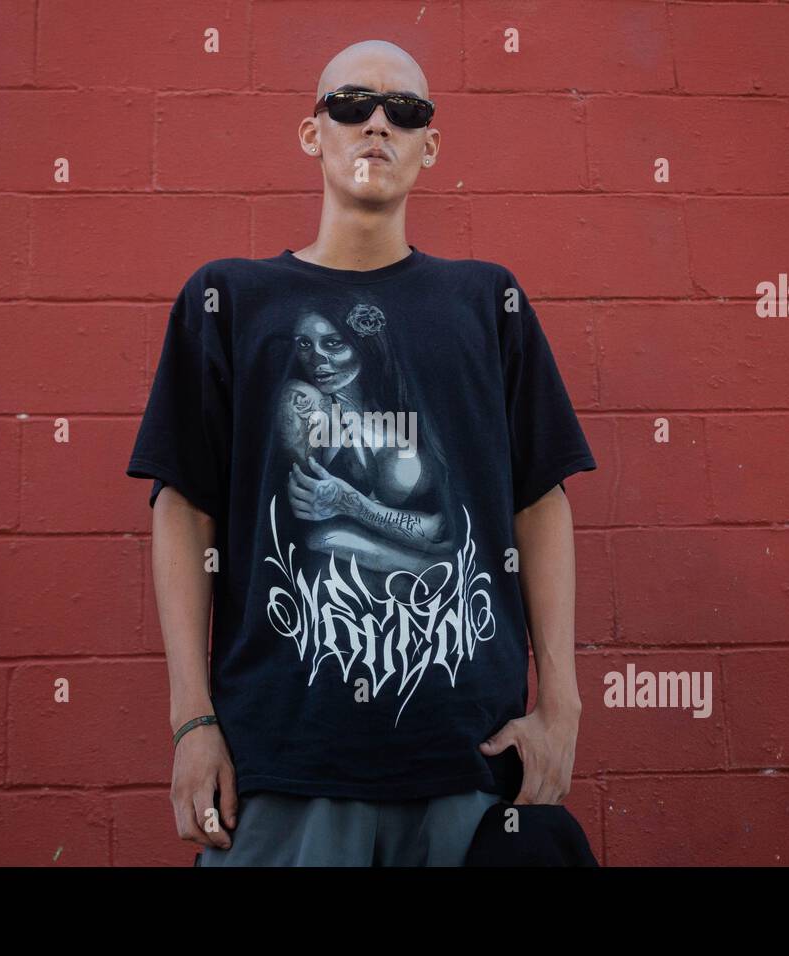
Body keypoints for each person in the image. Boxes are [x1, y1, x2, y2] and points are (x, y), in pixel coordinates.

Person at [126, 39, 598, 866]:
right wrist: (192, 722)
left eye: (405, 112)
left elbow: (540, 499)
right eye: (351, 105)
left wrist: (560, 702)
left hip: (467, 756)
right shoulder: (230, 298)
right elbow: (183, 507)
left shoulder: (486, 300)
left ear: (430, 145)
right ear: (313, 133)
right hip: (283, 763)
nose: (377, 124)